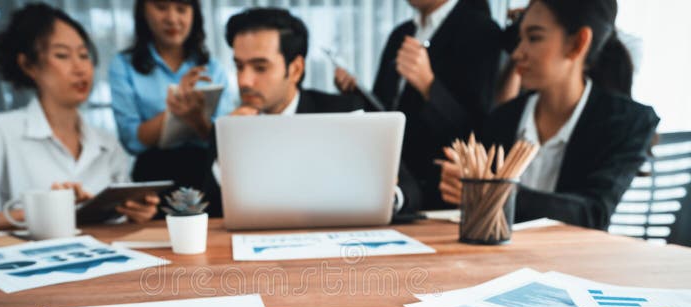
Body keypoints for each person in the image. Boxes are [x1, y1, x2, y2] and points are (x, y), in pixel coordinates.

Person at [0, 3, 158, 244]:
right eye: (62, 55)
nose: (80, 68)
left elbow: (116, 223)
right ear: (28, 65)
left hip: (97, 266)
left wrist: (135, 213)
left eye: (84, 55)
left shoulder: (107, 144)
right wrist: (33, 214)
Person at [438, 0, 659, 230]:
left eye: (534, 38)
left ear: (577, 44)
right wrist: (462, 186)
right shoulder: (503, 119)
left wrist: (498, 192)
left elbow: (593, 214)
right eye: (519, 39)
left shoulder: (627, 122)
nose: (517, 53)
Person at [204, 7, 421, 217]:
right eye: (239, 66)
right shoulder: (228, 130)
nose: (244, 81)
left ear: (296, 69)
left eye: (260, 67)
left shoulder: (344, 114)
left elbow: (409, 190)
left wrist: (382, 198)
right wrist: (227, 158)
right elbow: (207, 209)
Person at [334, 0, 502, 210]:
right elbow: (384, 109)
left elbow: (480, 128)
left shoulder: (481, 30)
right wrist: (356, 91)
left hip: (441, 192)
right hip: (394, 183)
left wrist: (428, 85)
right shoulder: (402, 33)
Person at [109, 0, 235, 189]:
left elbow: (223, 139)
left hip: (206, 172)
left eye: (182, 9)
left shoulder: (212, 68)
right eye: (161, 7)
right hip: (153, 174)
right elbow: (131, 139)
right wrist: (174, 110)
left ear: (194, 14)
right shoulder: (124, 65)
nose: (172, 18)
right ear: (143, 11)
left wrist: (196, 119)